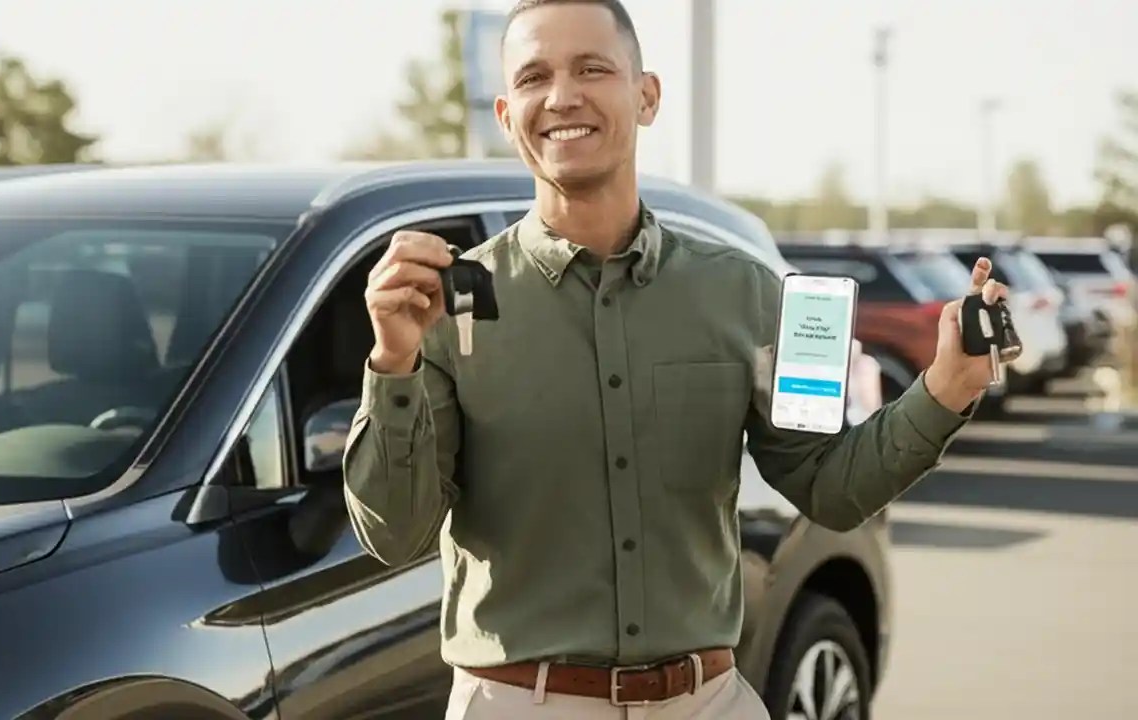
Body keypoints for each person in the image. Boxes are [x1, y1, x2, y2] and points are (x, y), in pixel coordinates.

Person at [342, 0, 1008, 717]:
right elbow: (393, 531)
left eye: (592, 68)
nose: (562, 95)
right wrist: (393, 361)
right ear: (507, 115)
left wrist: (945, 386)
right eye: (535, 77)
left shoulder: (750, 293)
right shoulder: (442, 313)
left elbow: (831, 487)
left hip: (708, 700)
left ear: (647, 95)